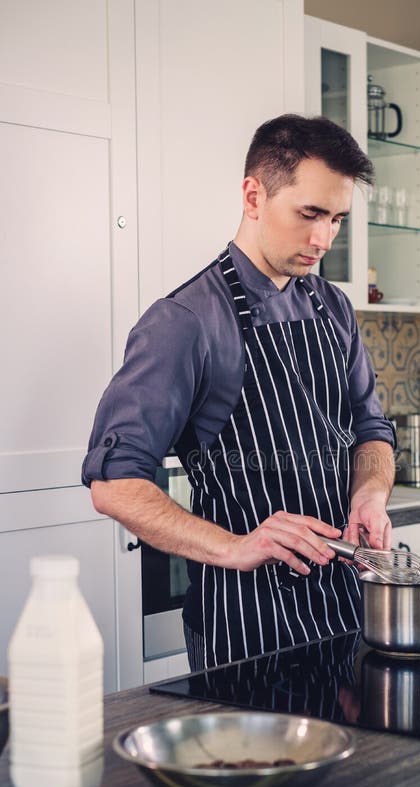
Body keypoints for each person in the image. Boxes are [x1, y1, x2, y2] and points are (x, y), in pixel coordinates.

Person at [83, 113, 396, 670]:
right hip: (246, 625)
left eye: (337, 219)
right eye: (309, 214)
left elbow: (371, 432)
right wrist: (234, 546)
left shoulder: (333, 307)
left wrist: (370, 494)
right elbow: (114, 483)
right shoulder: (184, 322)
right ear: (254, 195)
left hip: (345, 609)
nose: (324, 238)